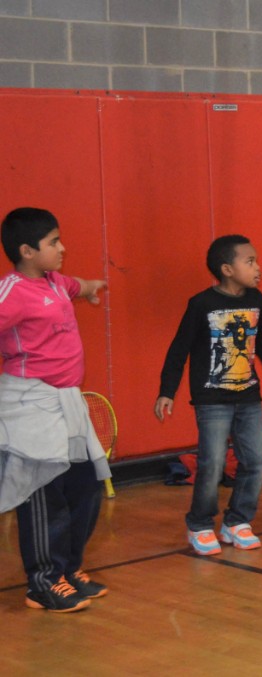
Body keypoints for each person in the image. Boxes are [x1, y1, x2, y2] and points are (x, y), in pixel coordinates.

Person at [0, 207, 110, 613]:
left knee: (85, 485)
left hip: (67, 402)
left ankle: (67, 568)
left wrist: (92, 287)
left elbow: (75, 286)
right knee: (45, 493)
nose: (62, 248)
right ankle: (43, 583)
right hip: (32, 404)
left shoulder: (54, 281)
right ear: (27, 251)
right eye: (53, 242)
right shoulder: (12, 291)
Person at [157, 234, 262, 556]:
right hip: (212, 400)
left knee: (255, 460)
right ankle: (200, 525)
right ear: (227, 269)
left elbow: (261, 340)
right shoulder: (202, 304)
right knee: (213, 463)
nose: (258, 268)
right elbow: (179, 350)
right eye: (250, 261)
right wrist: (167, 392)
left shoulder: (256, 299)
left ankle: (237, 521)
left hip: (249, 397)